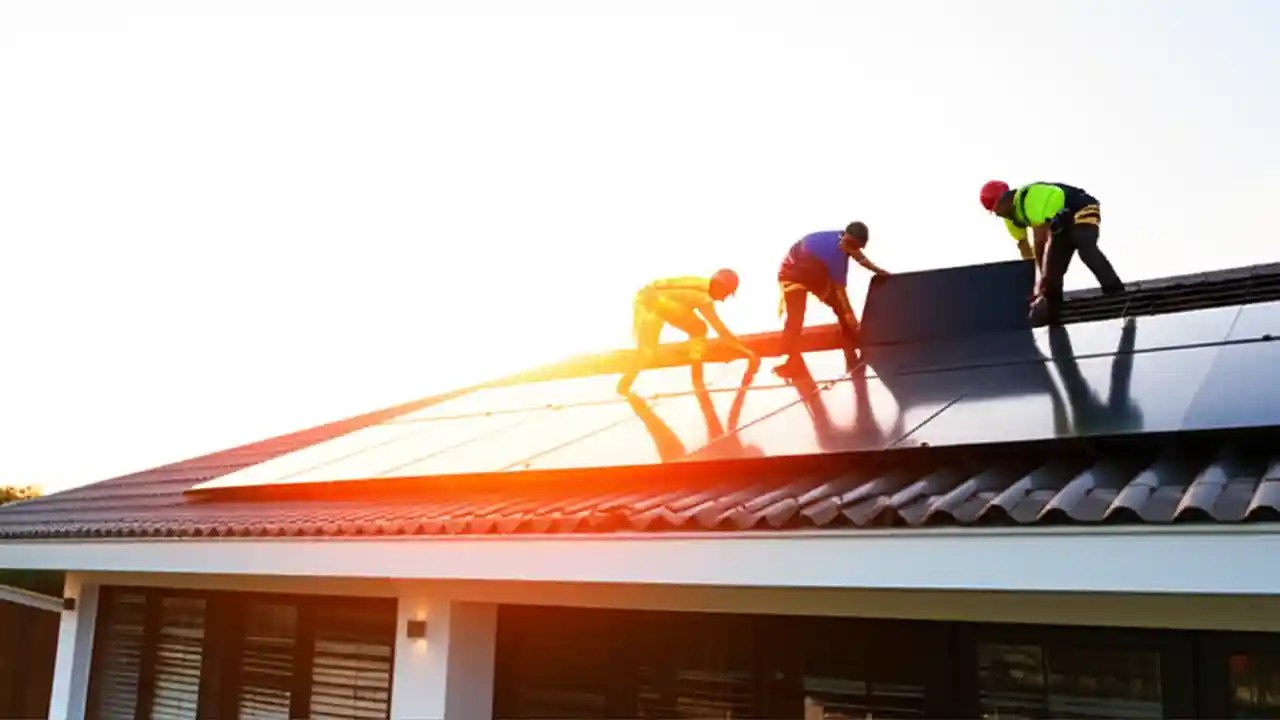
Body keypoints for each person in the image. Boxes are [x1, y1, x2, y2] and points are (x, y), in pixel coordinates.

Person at [979, 180, 1124, 325]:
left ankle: (1116, 292)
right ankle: (1053, 311)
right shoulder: (1011, 219)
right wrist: (1036, 286)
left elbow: (1041, 241)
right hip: (1059, 225)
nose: (997, 214)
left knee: (1084, 247)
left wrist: (1043, 281)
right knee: (1053, 272)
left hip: (1080, 209)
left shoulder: (1029, 199)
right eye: (994, 211)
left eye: (997, 207)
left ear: (1006, 198)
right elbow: (1026, 250)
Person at [773, 221, 888, 379]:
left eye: (855, 246)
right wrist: (851, 319)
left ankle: (851, 344)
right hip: (793, 272)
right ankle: (790, 361)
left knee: (839, 309)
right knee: (796, 316)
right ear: (846, 239)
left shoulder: (846, 240)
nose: (850, 249)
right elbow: (841, 294)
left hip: (815, 271)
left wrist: (880, 272)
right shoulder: (835, 255)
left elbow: (860, 258)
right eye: (850, 245)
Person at [616, 269, 759, 396]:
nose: (723, 300)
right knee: (649, 350)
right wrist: (747, 352)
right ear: (720, 288)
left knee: (695, 330)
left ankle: (624, 385)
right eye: (725, 294)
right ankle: (696, 378)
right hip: (650, 302)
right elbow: (721, 330)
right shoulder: (704, 297)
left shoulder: (703, 286)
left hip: (652, 299)